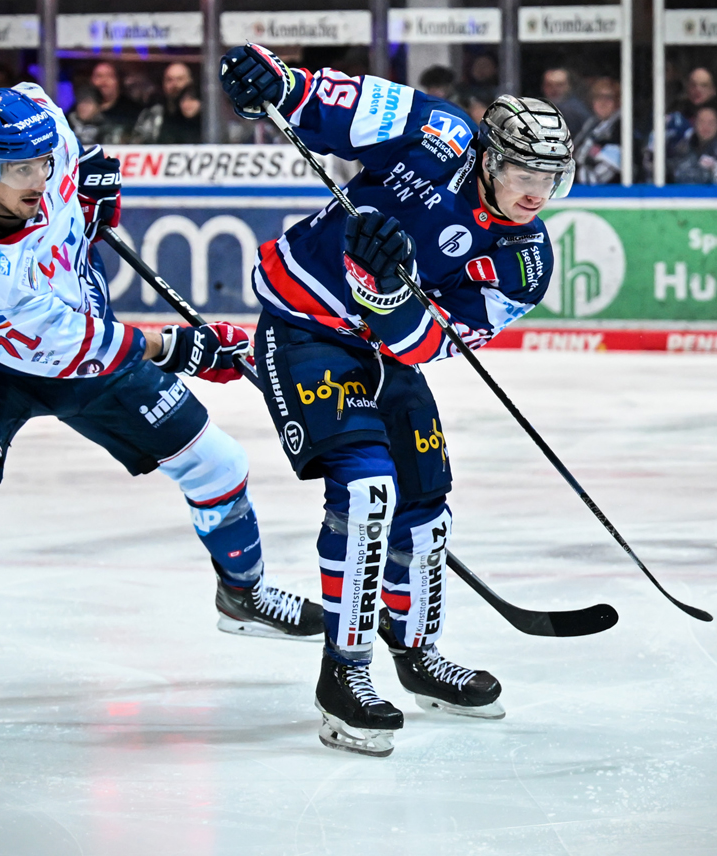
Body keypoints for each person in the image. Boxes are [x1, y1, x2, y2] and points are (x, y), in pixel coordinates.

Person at [0, 83, 324, 738]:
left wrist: (95, 184)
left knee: (218, 461)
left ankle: (242, 592)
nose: (40, 180)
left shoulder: (46, 132)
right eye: (21, 170)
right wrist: (183, 348)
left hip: (76, 332)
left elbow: (59, 139)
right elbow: (81, 347)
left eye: (45, 163)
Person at [218, 43, 571, 757]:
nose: (535, 193)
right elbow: (330, 102)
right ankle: (345, 673)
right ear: (487, 158)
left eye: (551, 179)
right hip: (305, 324)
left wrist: (383, 291)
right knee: (367, 491)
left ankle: (417, 654)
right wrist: (273, 79)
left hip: (387, 349)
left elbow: (429, 344)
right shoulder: (435, 130)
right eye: (522, 173)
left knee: (426, 509)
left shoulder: (524, 261)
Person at [669, 105, 717, 185]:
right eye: (701, 122)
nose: (706, 127)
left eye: (711, 123)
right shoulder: (682, 148)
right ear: (694, 124)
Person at [571, 77, 622, 184]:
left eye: (608, 98)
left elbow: (599, 177)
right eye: (598, 97)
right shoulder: (590, 126)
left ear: (618, 101)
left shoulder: (620, 130)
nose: (602, 103)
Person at [131, 62, 197, 144]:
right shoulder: (153, 112)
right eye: (169, 80)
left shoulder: (204, 113)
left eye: (180, 79)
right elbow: (138, 142)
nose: (174, 84)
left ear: (190, 82)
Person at [90, 61, 141, 143]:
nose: (104, 82)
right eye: (99, 76)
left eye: (109, 76)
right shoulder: (80, 109)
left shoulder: (132, 110)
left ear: (118, 81)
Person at [541, 67, 590, 132]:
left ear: (569, 86)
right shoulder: (538, 106)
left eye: (559, 85)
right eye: (549, 85)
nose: (554, 89)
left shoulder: (574, 111)